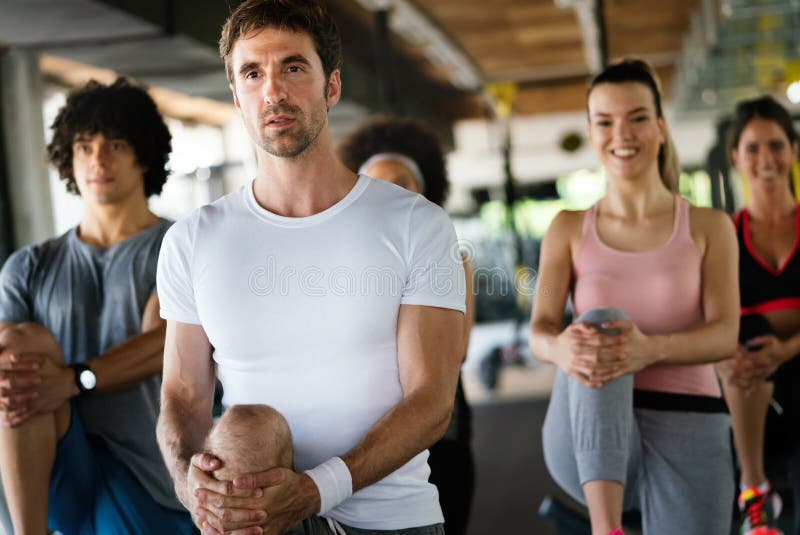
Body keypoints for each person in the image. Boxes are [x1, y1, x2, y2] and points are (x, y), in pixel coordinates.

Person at [155, 1, 466, 534]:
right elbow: (183, 396)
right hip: (251, 520)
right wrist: (191, 486)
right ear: (236, 96)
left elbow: (431, 399)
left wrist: (316, 491)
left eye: (293, 67)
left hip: (390, 520)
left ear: (332, 86)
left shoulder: (417, 223)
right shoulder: (192, 240)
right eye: (252, 73)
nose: (272, 91)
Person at [528, 58, 739, 535]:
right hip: (587, 430)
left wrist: (649, 349)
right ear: (591, 131)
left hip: (688, 418)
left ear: (660, 127)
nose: (621, 134)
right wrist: (559, 347)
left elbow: (727, 335)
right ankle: (607, 530)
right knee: (599, 319)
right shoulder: (565, 229)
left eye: (638, 118)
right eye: (605, 121)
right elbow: (539, 331)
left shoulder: (709, 227)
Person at [0, 78, 193, 534]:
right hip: (52, 463)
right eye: (85, 146)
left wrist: (71, 379)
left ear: (143, 154)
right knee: (23, 344)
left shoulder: (179, 245)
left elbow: (163, 344)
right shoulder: (29, 265)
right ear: (68, 157)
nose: (98, 159)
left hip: (149, 473)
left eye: (116, 144)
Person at [337, 115, 476, 535]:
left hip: (439, 430)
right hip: (362, 434)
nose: (391, 193)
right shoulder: (339, 264)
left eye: (402, 182)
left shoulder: (453, 257)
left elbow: (458, 350)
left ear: (424, 193)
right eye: (378, 183)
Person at [719, 95, 800, 535]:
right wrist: (723, 360)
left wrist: (785, 350)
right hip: (748, 390)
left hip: (796, 370)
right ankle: (754, 492)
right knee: (748, 330)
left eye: (776, 145)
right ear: (736, 158)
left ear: (793, 150)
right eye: (752, 148)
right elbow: (706, 322)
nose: (765, 159)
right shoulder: (725, 236)